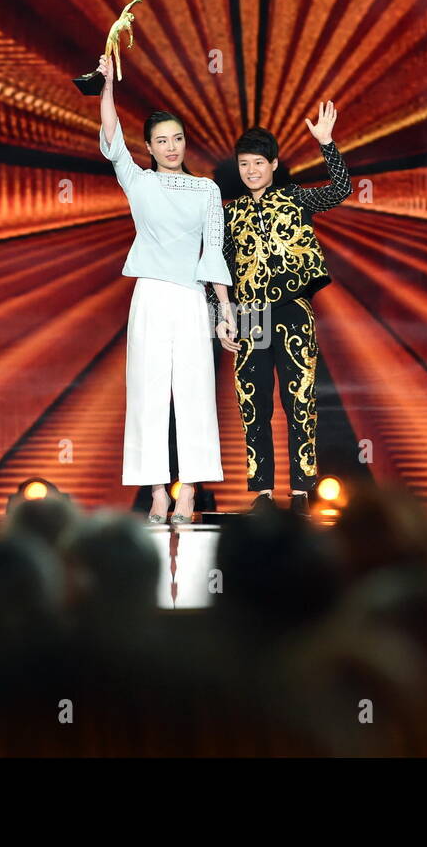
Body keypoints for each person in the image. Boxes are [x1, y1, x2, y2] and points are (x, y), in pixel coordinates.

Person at [95, 53, 235, 524]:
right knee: (149, 392)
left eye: (177, 138)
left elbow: (213, 253)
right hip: (151, 296)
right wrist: (108, 85)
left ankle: (189, 492)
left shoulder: (207, 191)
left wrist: (225, 311)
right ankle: (157, 491)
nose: (171, 146)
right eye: (162, 141)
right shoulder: (138, 181)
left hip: (193, 298)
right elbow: (112, 137)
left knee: (195, 393)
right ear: (150, 148)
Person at [216, 104, 351, 516]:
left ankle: (300, 491)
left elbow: (340, 190)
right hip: (250, 314)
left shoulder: (295, 199)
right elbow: (216, 269)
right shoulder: (230, 213)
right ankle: (261, 493)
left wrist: (327, 144)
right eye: (245, 164)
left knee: (300, 400)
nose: (252, 170)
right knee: (253, 403)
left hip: (293, 310)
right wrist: (220, 318)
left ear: (273, 163)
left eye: (259, 162)